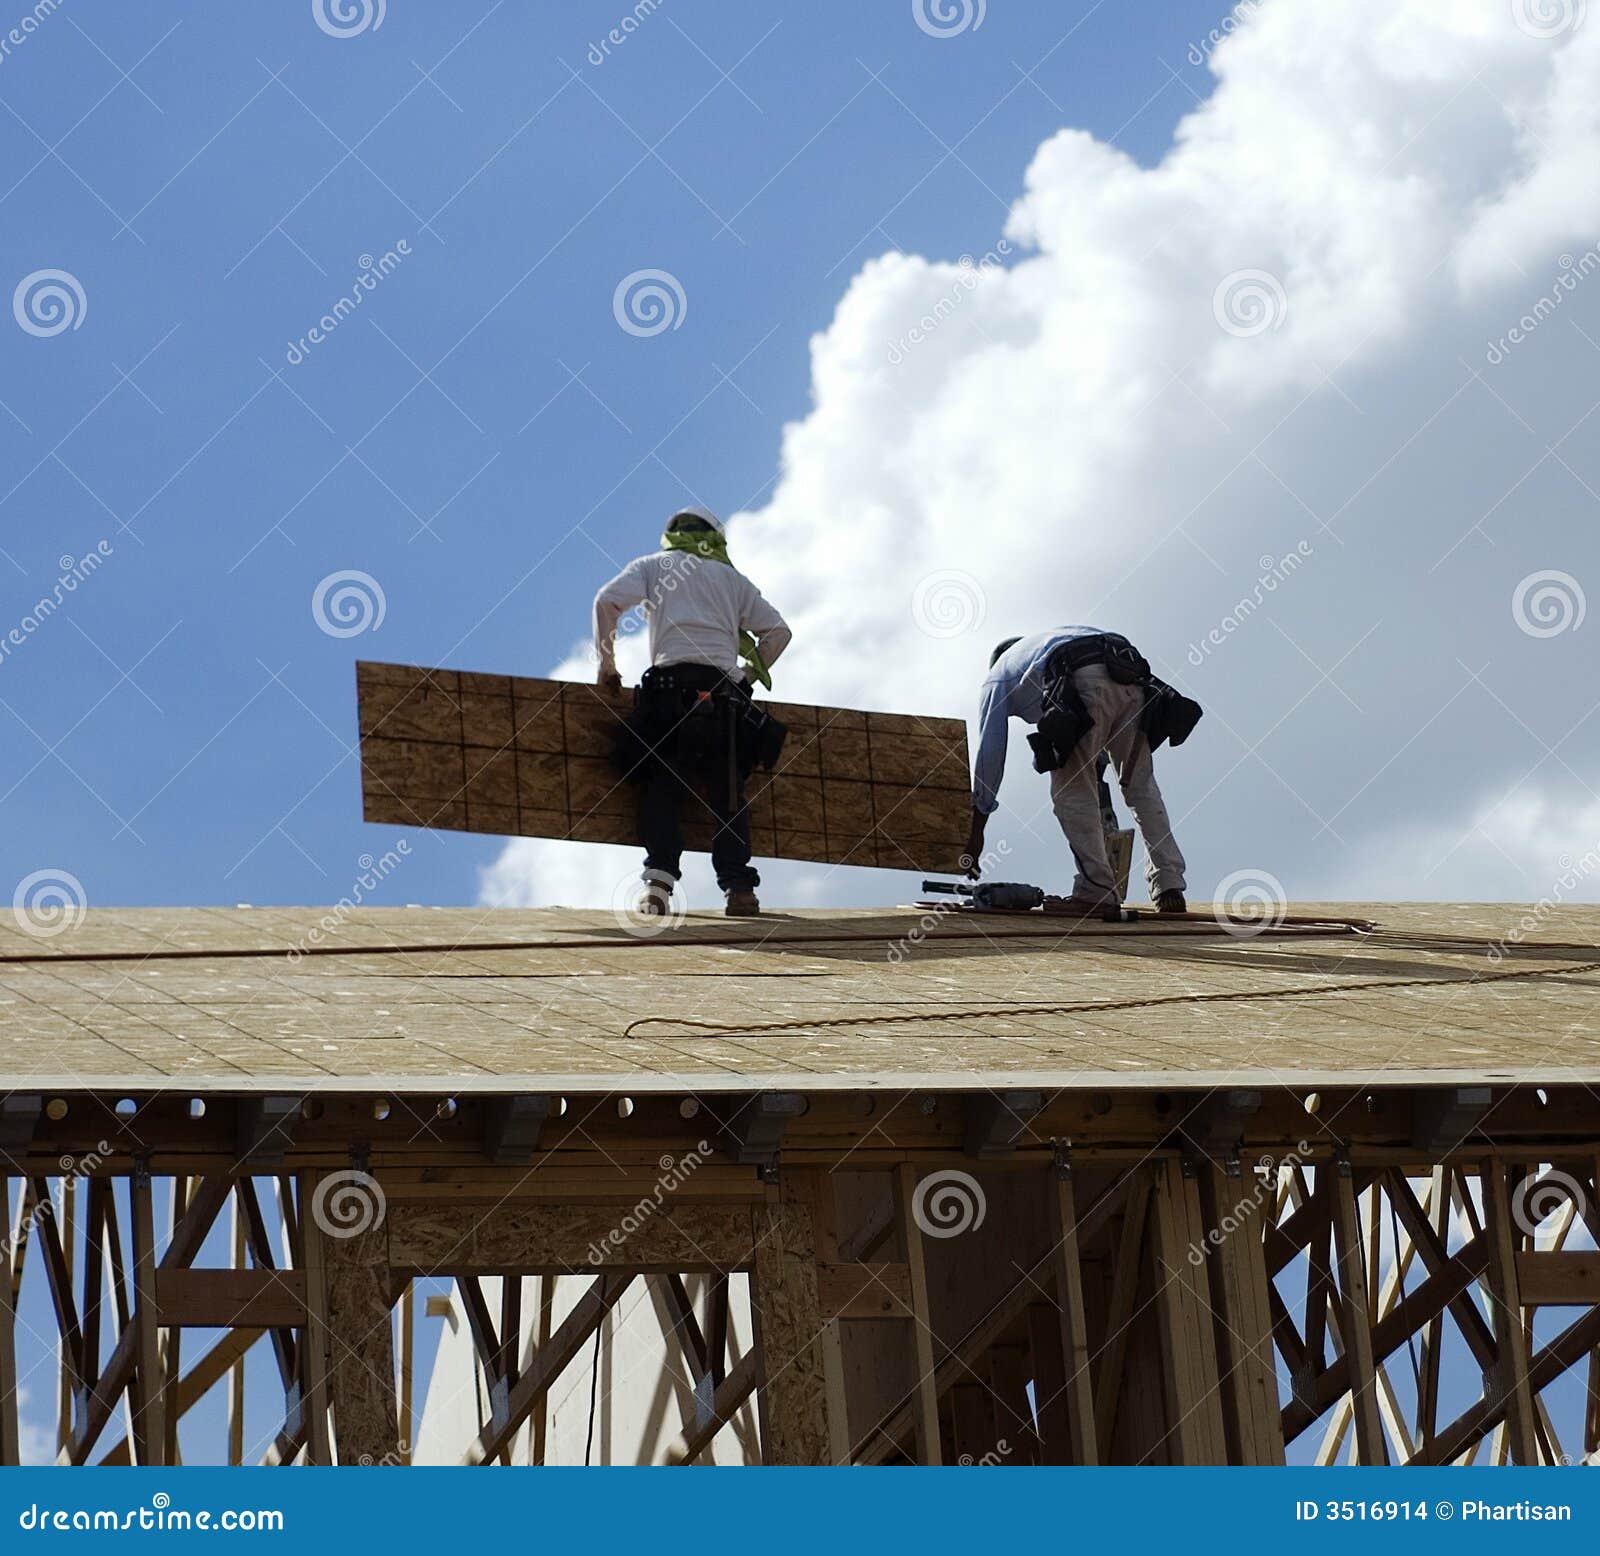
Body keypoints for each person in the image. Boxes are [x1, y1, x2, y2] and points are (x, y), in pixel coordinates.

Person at [593, 505, 791, 917]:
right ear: (716, 538)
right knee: (729, 794)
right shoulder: (732, 580)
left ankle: (658, 889)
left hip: (669, 698)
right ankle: (739, 890)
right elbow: (778, 632)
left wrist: (607, 663)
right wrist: (747, 677)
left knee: (661, 788)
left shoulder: (653, 566)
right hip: (725, 701)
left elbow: (607, 601)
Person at [964, 627, 1195, 916]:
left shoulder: (997, 676)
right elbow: (1094, 721)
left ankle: (1096, 891)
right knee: (1140, 788)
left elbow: (990, 753)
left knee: (1071, 793)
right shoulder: (1044, 647)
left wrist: (976, 832)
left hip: (1082, 674)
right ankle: (1169, 884)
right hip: (1129, 673)